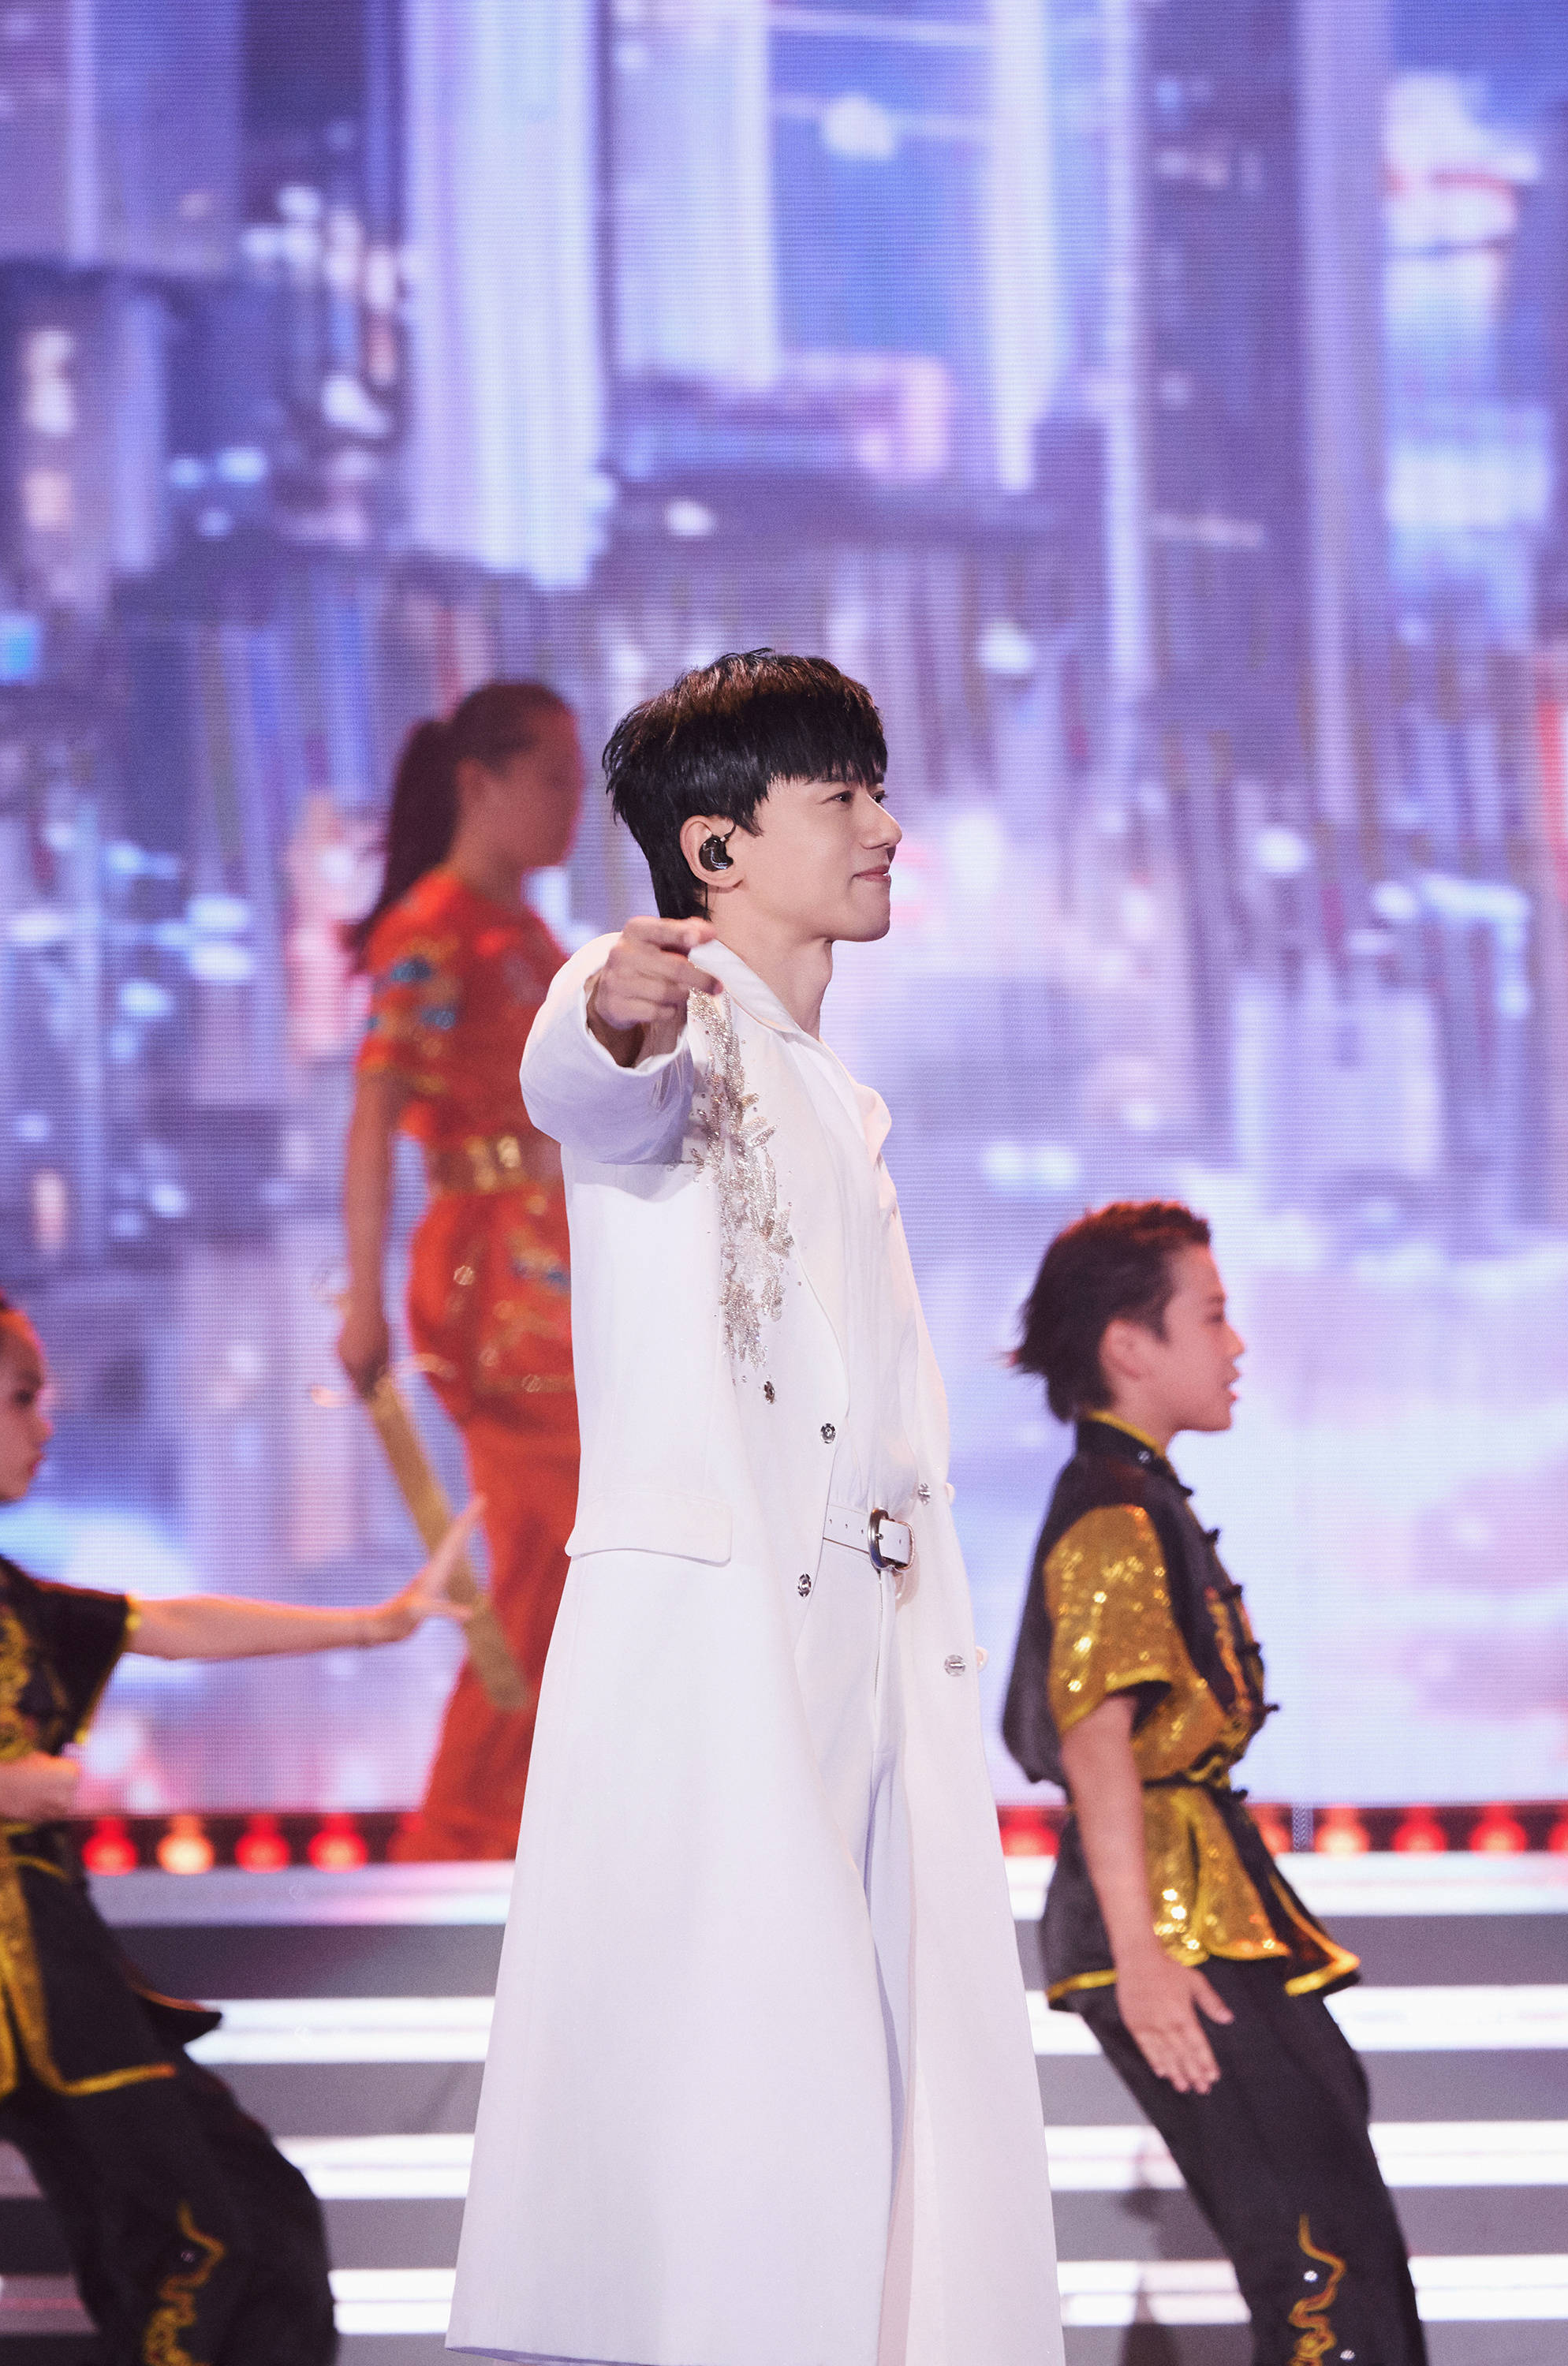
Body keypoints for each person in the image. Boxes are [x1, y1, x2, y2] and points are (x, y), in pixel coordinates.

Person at [447, 652, 1062, 2366]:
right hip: (717, 1665)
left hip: (861, 1658)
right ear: (713, 849)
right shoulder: (675, 1022)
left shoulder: (829, 1091)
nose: (885, 828)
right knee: (728, 2112)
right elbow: (587, 1069)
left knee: (863, 2107)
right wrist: (615, 995)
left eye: (878, 789)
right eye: (842, 795)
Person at [0, 1278, 477, 2366]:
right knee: (199, 2242)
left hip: (36, 1921)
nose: (45, 1425)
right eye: (23, 1397)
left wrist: (374, 1626)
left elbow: (163, 1624)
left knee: (259, 2214)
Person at [1000, 1200, 1425, 2366]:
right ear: (1129, 1347)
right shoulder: (1111, 1510)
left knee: (1335, 2226)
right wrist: (1142, 1959)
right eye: (1213, 1318)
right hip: (1174, 1931)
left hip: (1208, 1907)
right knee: (1312, 2252)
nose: (1236, 1347)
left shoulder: (1140, 1498)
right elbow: (1096, 1741)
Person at [336, 681, 587, 1860]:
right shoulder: (432, 930)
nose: (572, 804)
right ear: (479, 784)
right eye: (553, 778)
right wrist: (362, 1300)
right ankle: (461, 1836)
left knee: (570, 1561)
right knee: (549, 1552)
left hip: (561, 1271)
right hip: (500, 1285)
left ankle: (517, 1826)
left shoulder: (527, 935)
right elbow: (373, 1114)